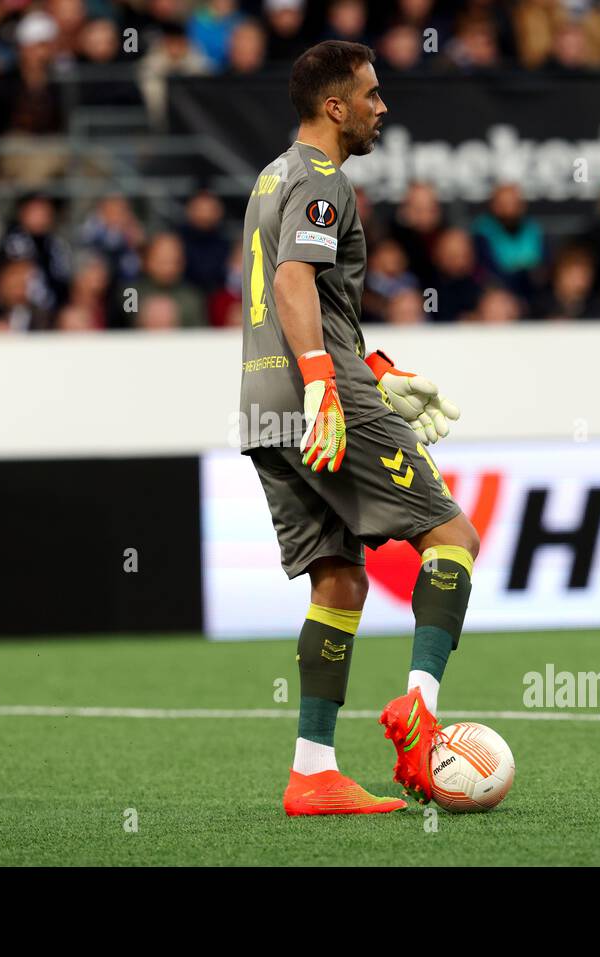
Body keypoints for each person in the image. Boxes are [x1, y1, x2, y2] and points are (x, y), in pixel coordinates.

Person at [238, 40, 478, 816]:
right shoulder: (322, 181)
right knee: (453, 538)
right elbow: (292, 280)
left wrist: (374, 370)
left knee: (338, 578)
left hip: (261, 404)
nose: (383, 107)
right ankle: (418, 708)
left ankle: (313, 771)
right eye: (371, 95)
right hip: (317, 396)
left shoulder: (271, 176)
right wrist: (328, 385)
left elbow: (296, 297)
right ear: (334, 106)